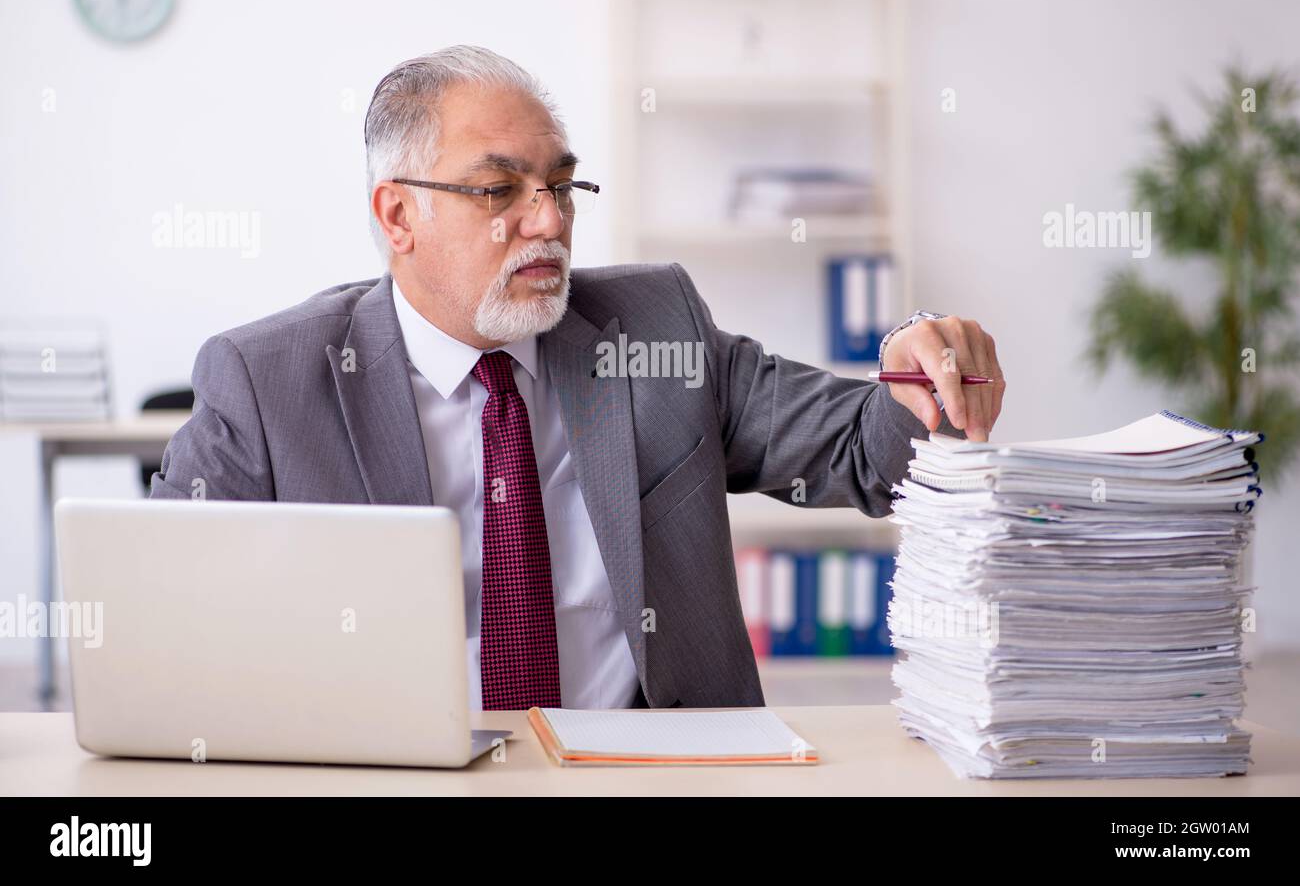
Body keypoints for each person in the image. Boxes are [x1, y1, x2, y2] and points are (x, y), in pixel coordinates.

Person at [152, 45, 1006, 711]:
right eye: (499, 189)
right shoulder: (267, 382)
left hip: (652, 773)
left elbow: (866, 453)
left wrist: (915, 362)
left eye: (561, 185)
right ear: (398, 214)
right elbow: (164, 625)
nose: (549, 220)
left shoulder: (655, 326)